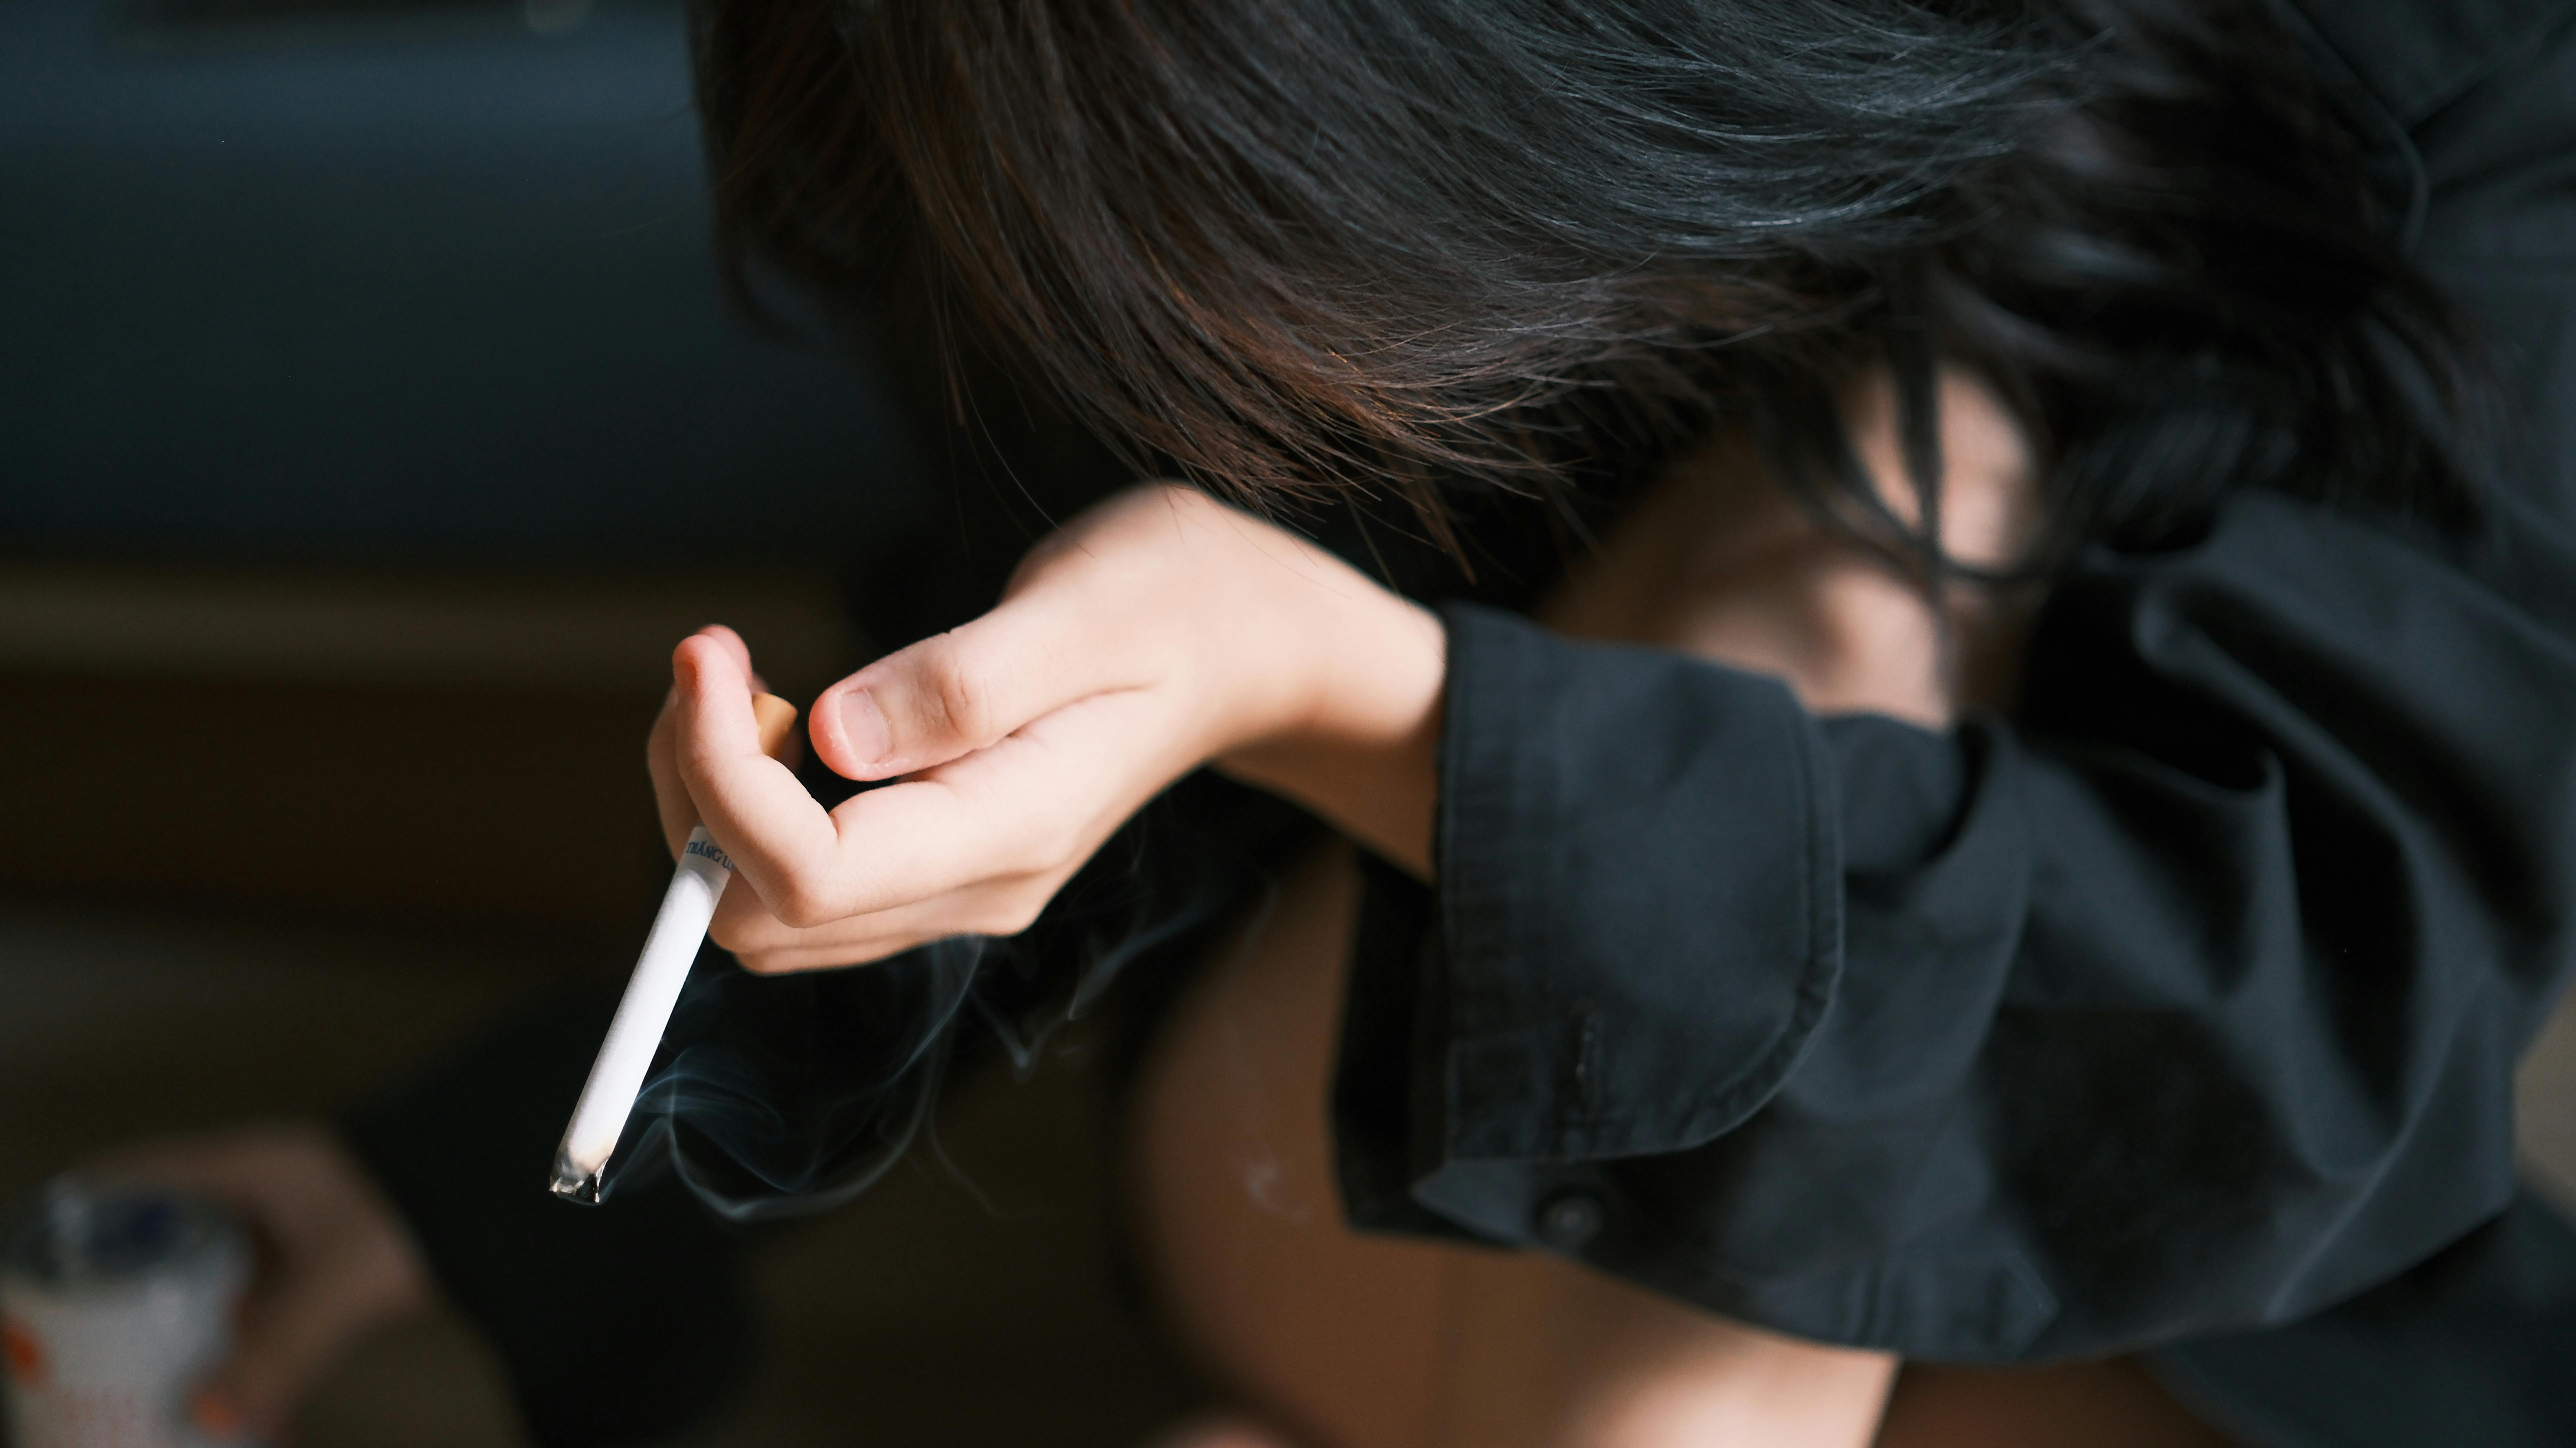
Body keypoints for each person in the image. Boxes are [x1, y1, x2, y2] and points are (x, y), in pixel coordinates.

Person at [118, 0, 2576, 1444]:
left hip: (2139, 1266)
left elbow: (2308, 1008)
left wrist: (1345, 685)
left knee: (1862, 517)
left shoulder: (2420, 85)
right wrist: (482, 1177)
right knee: (1814, 560)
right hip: (1366, 1190)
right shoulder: (1057, 100)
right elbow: (1028, 638)